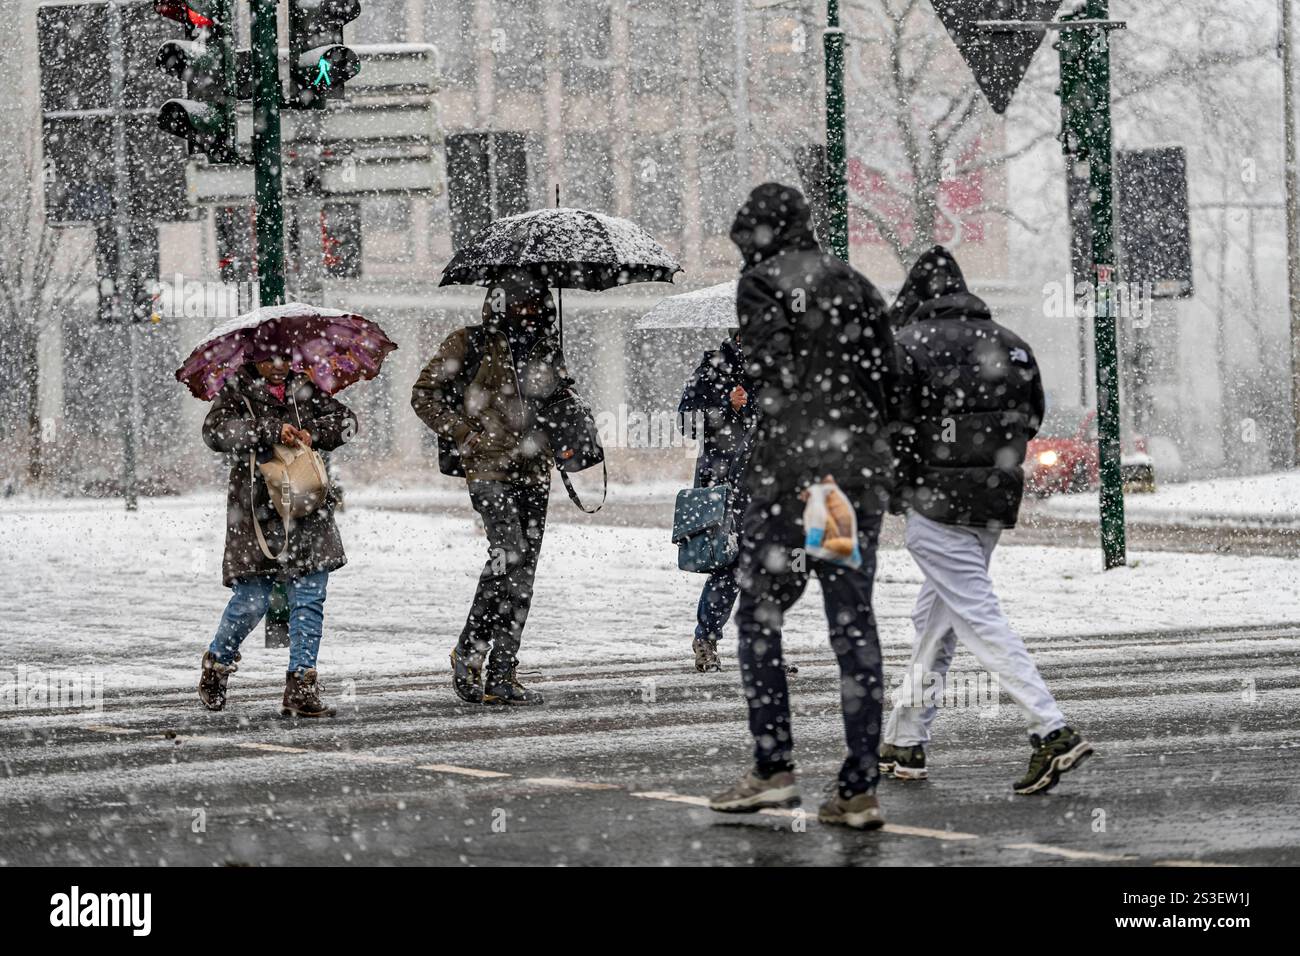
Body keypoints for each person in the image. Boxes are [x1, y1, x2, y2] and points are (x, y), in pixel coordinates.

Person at [707, 183, 899, 830]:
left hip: (794, 479)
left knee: (760, 616)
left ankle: (773, 766)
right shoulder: (859, 284)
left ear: (756, 236)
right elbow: (890, 382)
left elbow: (777, 378)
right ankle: (859, 784)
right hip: (843, 487)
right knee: (851, 622)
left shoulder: (761, 283)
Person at [882, 245, 1094, 795]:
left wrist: (897, 489)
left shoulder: (907, 345)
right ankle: (904, 740)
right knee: (939, 618)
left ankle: (1051, 730)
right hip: (993, 503)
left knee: (975, 616)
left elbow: (894, 429)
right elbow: (1033, 418)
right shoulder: (1013, 344)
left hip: (935, 503)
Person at [411, 271, 572, 706]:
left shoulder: (545, 350)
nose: (532, 311)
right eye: (523, 303)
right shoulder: (468, 342)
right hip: (488, 471)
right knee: (507, 555)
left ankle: (503, 673)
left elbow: (557, 403)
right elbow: (424, 394)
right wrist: (465, 434)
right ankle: (469, 651)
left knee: (523, 574)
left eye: (538, 303)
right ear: (500, 303)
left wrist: (571, 416)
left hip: (535, 472)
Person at [198, 352, 357, 717]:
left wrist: (312, 433)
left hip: (307, 507)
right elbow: (215, 433)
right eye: (269, 359)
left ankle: (302, 683)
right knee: (252, 601)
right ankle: (218, 662)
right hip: (256, 510)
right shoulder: (237, 389)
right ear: (255, 359)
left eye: (284, 358)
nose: (279, 366)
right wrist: (268, 430)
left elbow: (348, 423)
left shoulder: (308, 388)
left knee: (309, 598)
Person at [678, 330, 758, 672]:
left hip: (768, 481)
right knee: (731, 565)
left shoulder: (779, 366)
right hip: (725, 483)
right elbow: (686, 421)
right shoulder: (714, 365)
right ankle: (706, 638)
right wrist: (727, 404)